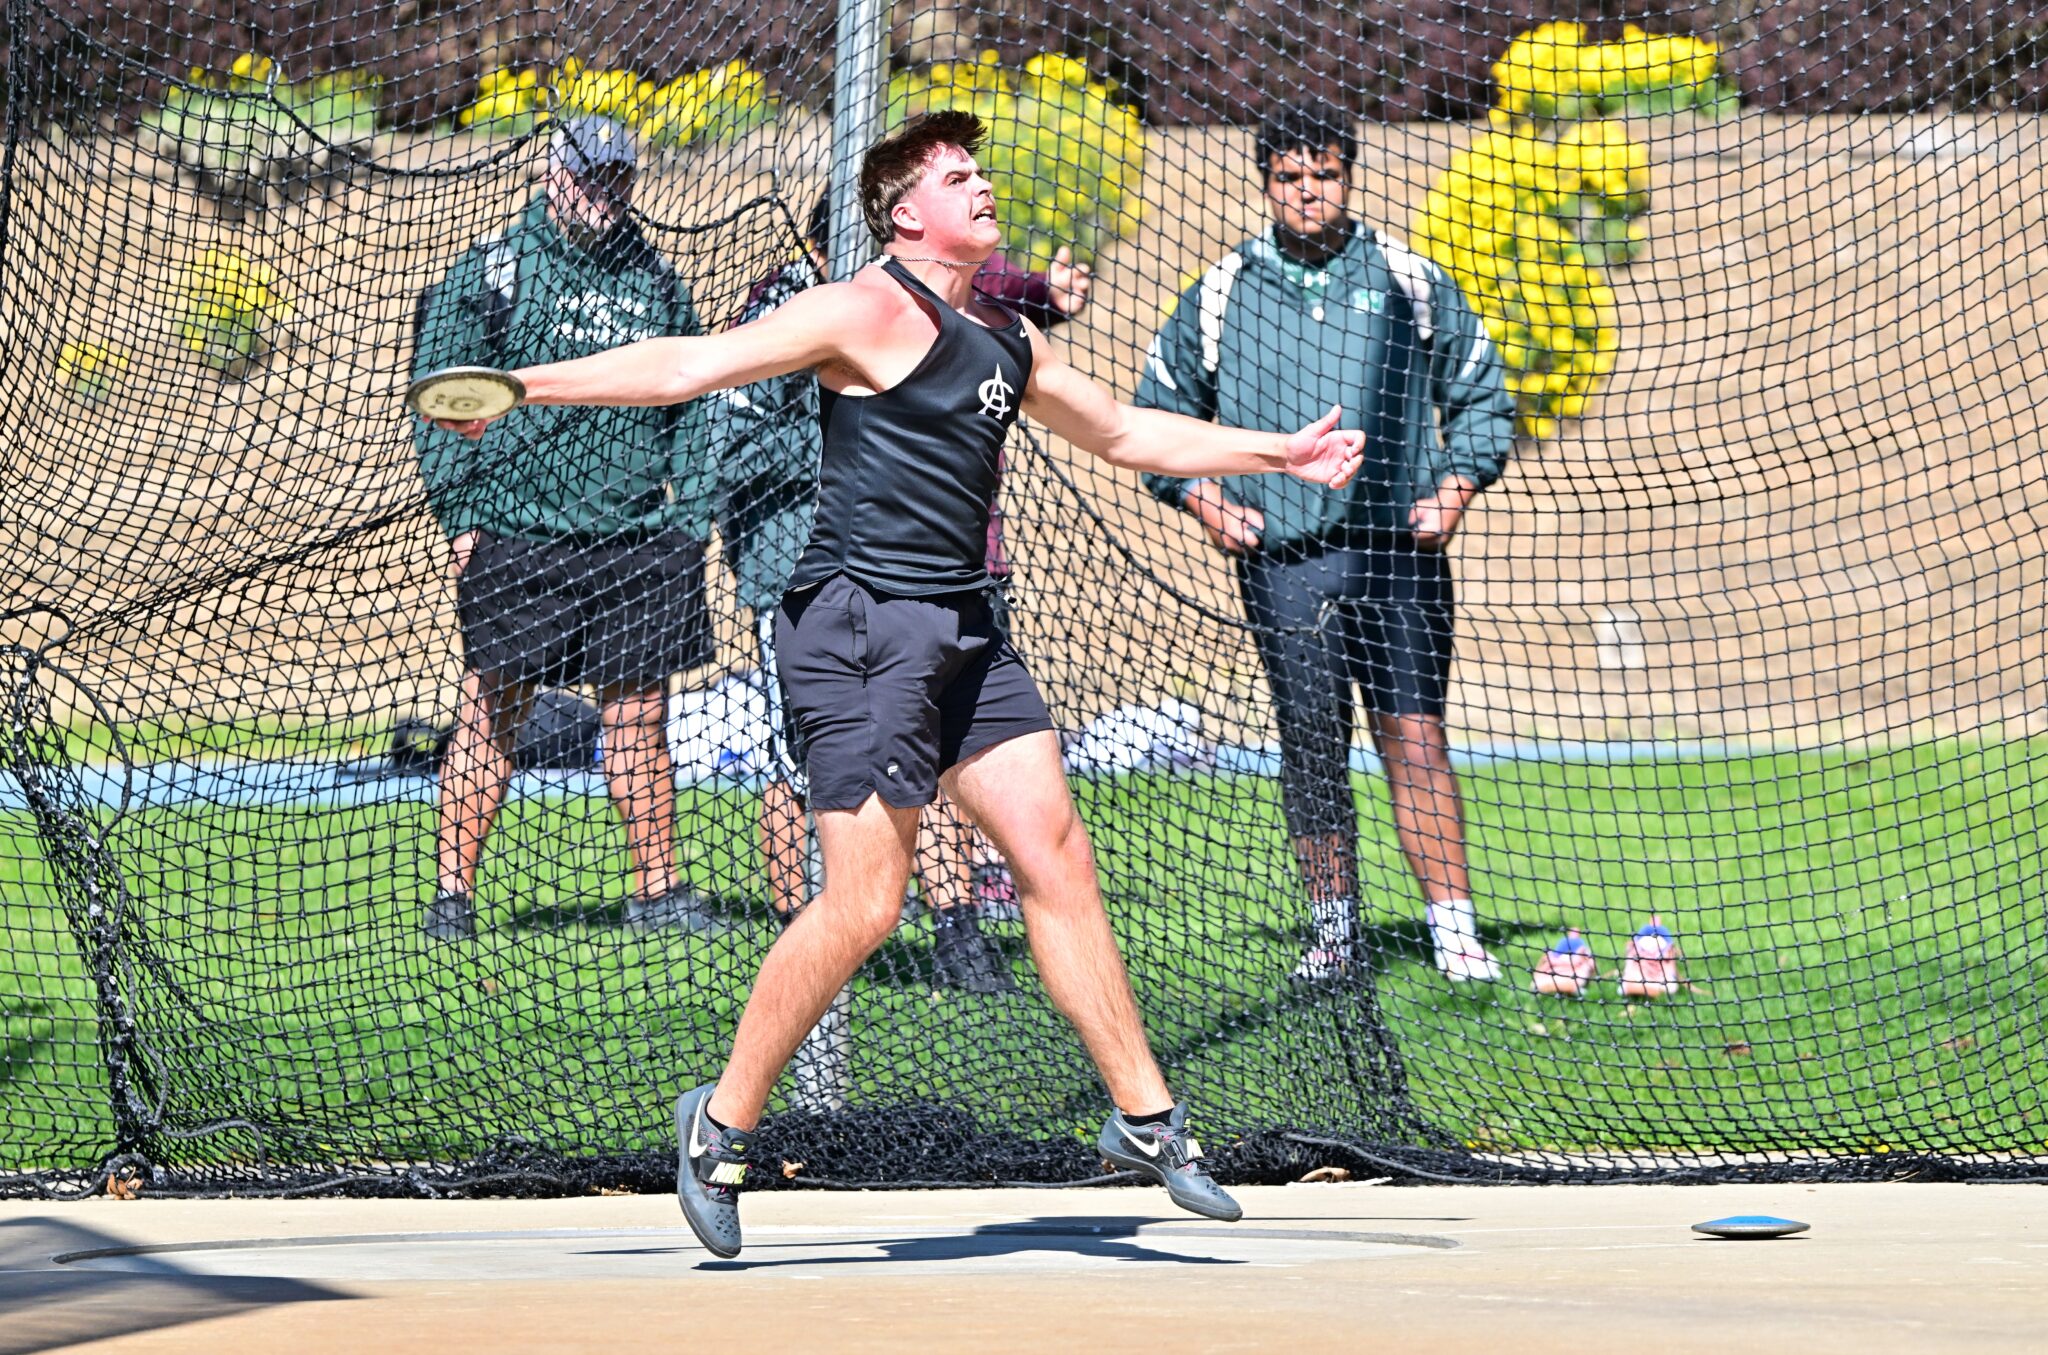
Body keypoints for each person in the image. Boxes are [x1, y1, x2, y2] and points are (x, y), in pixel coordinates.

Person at [425, 111, 1366, 1257]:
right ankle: (718, 1125)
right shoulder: (863, 309)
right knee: (866, 903)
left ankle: (1144, 1117)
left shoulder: (1006, 337)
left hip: (964, 626)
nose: (981, 188)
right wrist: (523, 384)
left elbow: (1121, 431)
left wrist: (1279, 451)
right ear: (905, 213)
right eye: (956, 177)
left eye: (978, 172)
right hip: (858, 630)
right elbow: (687, 364)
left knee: (1055, 851)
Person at [1136, 100, 1516, 985]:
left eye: (1325, 174)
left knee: (1415, 735)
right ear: (1265, 182)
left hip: (1398, 554)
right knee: (1311, 742)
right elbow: (1156, 415)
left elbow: (1481, 393)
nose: (1308, 191)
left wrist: (1455, 489)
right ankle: (1334, 934)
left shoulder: (1410, 277)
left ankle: (1456, 936)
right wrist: (1205, 500)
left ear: (1349, 175)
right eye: (1289, 177)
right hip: (1286, 563)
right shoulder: (1222, 291)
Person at [716, 191, 1093, 994]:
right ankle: (807, 931)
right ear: (825, 251)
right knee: (798, 765)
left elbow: (998, 302)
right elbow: (726, 426)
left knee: (946, 756)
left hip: (951, 575)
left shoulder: (937, 302)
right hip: (815, 577)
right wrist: (856, 429)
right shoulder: (793, 308)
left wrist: (1050, 296)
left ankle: (956, 923)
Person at [411, 115, 717, 941]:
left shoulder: (656, 279)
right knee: (491, 713)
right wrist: (462, 518)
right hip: (519, 535)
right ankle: (452, 898)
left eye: (618, 178)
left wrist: (690, 516)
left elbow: (695, 397)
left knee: (639, 719)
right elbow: (441, 396)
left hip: (635, 541)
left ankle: (658, 890)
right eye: (590, 176)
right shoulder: (492, 269)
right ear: (553, 176)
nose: (604, 193)